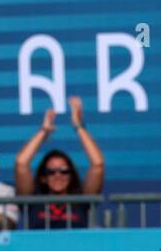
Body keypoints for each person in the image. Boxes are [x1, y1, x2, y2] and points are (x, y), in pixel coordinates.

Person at [14, 96, 105, 230]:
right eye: (51, 172)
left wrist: (79, 126)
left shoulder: (80, 201)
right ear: (43, 177)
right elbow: (21, 164)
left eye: (64, 171)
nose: (58, 175)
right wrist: (44, 131)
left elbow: (98, 164)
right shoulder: (33, 201)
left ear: (71, 175)